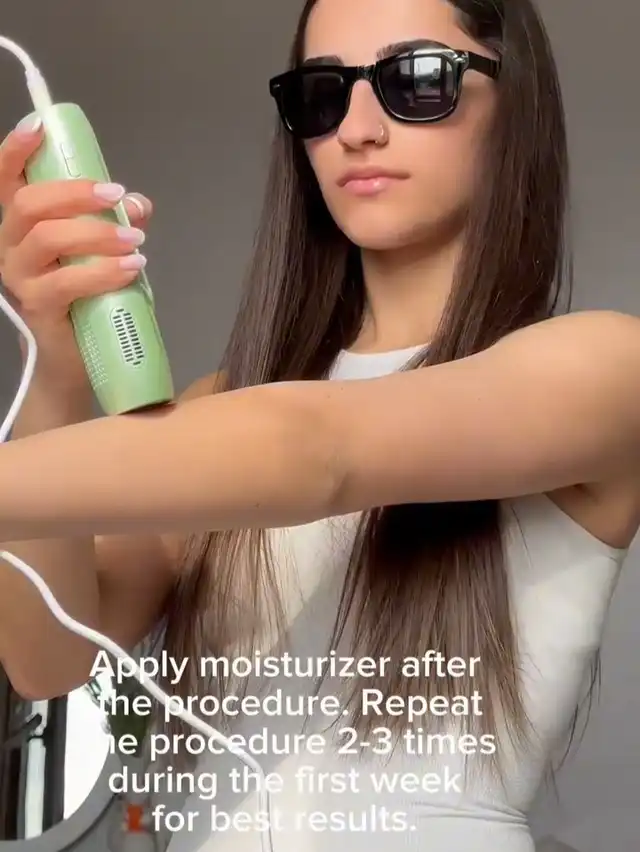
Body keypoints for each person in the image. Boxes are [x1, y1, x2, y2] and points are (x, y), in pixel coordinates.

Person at [0, 0, 638, 849]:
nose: (357, 130)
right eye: (322, 93)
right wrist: (54, 355)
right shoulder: (217, 413)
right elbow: (48, 658)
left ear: (514, 101)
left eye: (417, 79)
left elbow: (318, 451)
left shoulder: (605, 367)